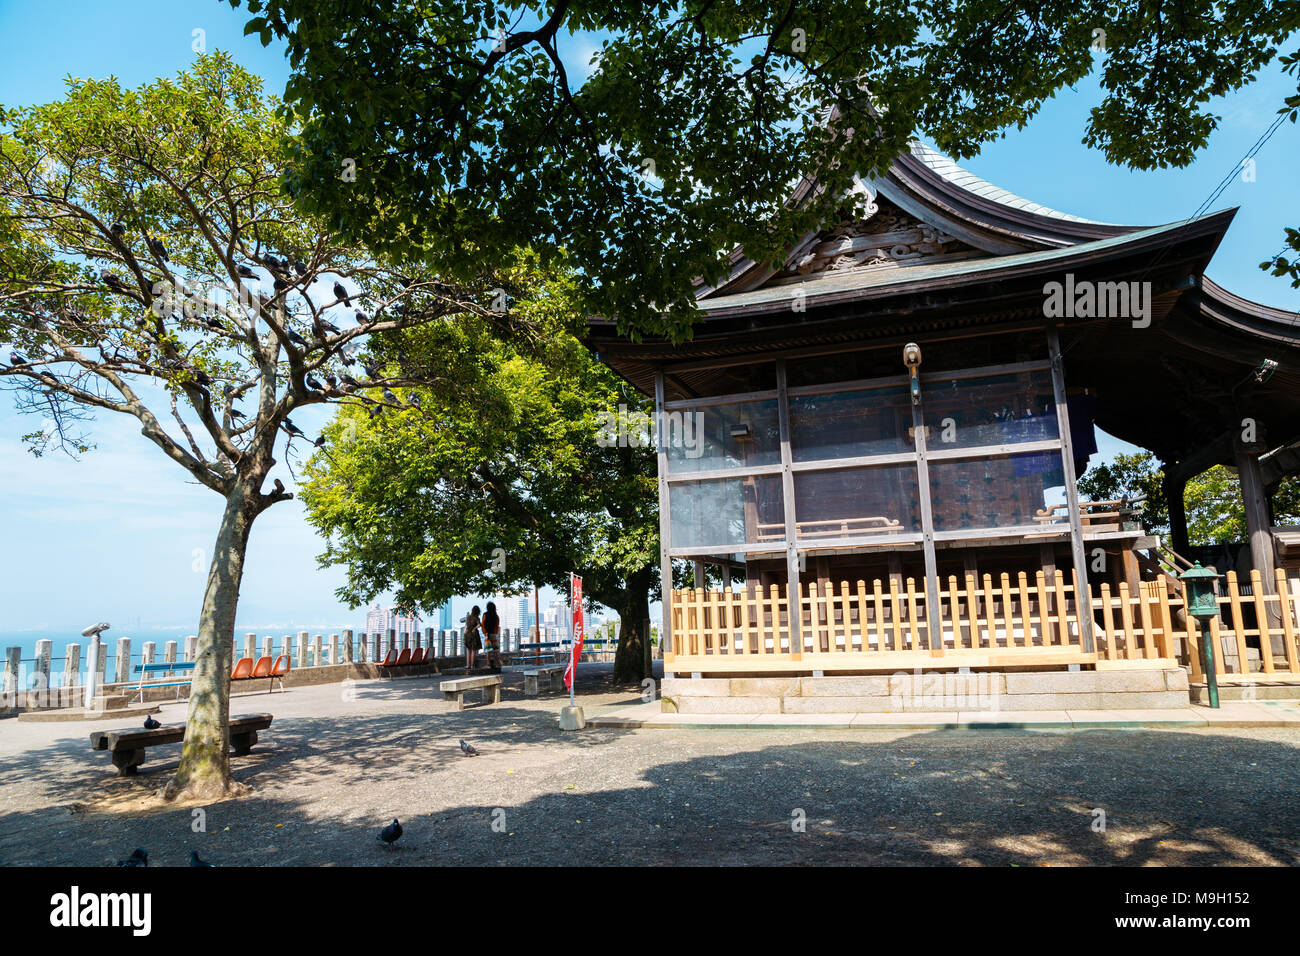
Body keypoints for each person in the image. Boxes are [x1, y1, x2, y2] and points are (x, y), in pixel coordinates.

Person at [482, 601, 502, 673]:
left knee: (488, 650)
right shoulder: (496, 616)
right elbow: (497, 624)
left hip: (487, 634)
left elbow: (483, 624)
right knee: (495, 650)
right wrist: (495, 632)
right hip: (493, 634)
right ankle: (497, 664)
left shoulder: (485, 614)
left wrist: (485, 633)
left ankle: (488, 664)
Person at [462, 606, 482, 670]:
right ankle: (472, 665)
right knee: (473, 650)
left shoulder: (468, 617)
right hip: (474, 634)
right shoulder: (476, 618)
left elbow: (466, 626)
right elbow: (479, 625)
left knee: (469, 650)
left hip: (468, 634)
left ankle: (468, 665)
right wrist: (475, 628)